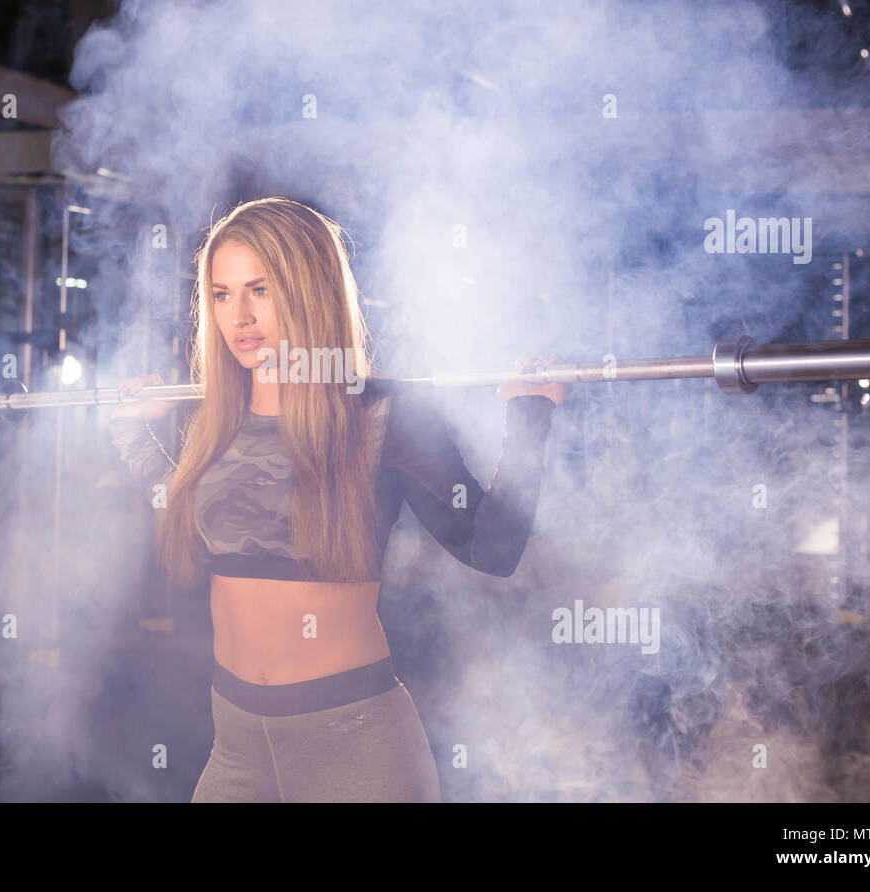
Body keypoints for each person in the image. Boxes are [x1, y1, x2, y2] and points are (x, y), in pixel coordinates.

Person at [109, 197, 566, 802]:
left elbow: (493, 548)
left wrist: (529, 416)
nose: (238, 316)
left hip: (355, 748)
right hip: (237, 740)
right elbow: (193, 527)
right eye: (221, 294)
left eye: (260, 290)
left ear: (307, 289)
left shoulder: (381, 417)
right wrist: (130, 434)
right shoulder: (216, 420)